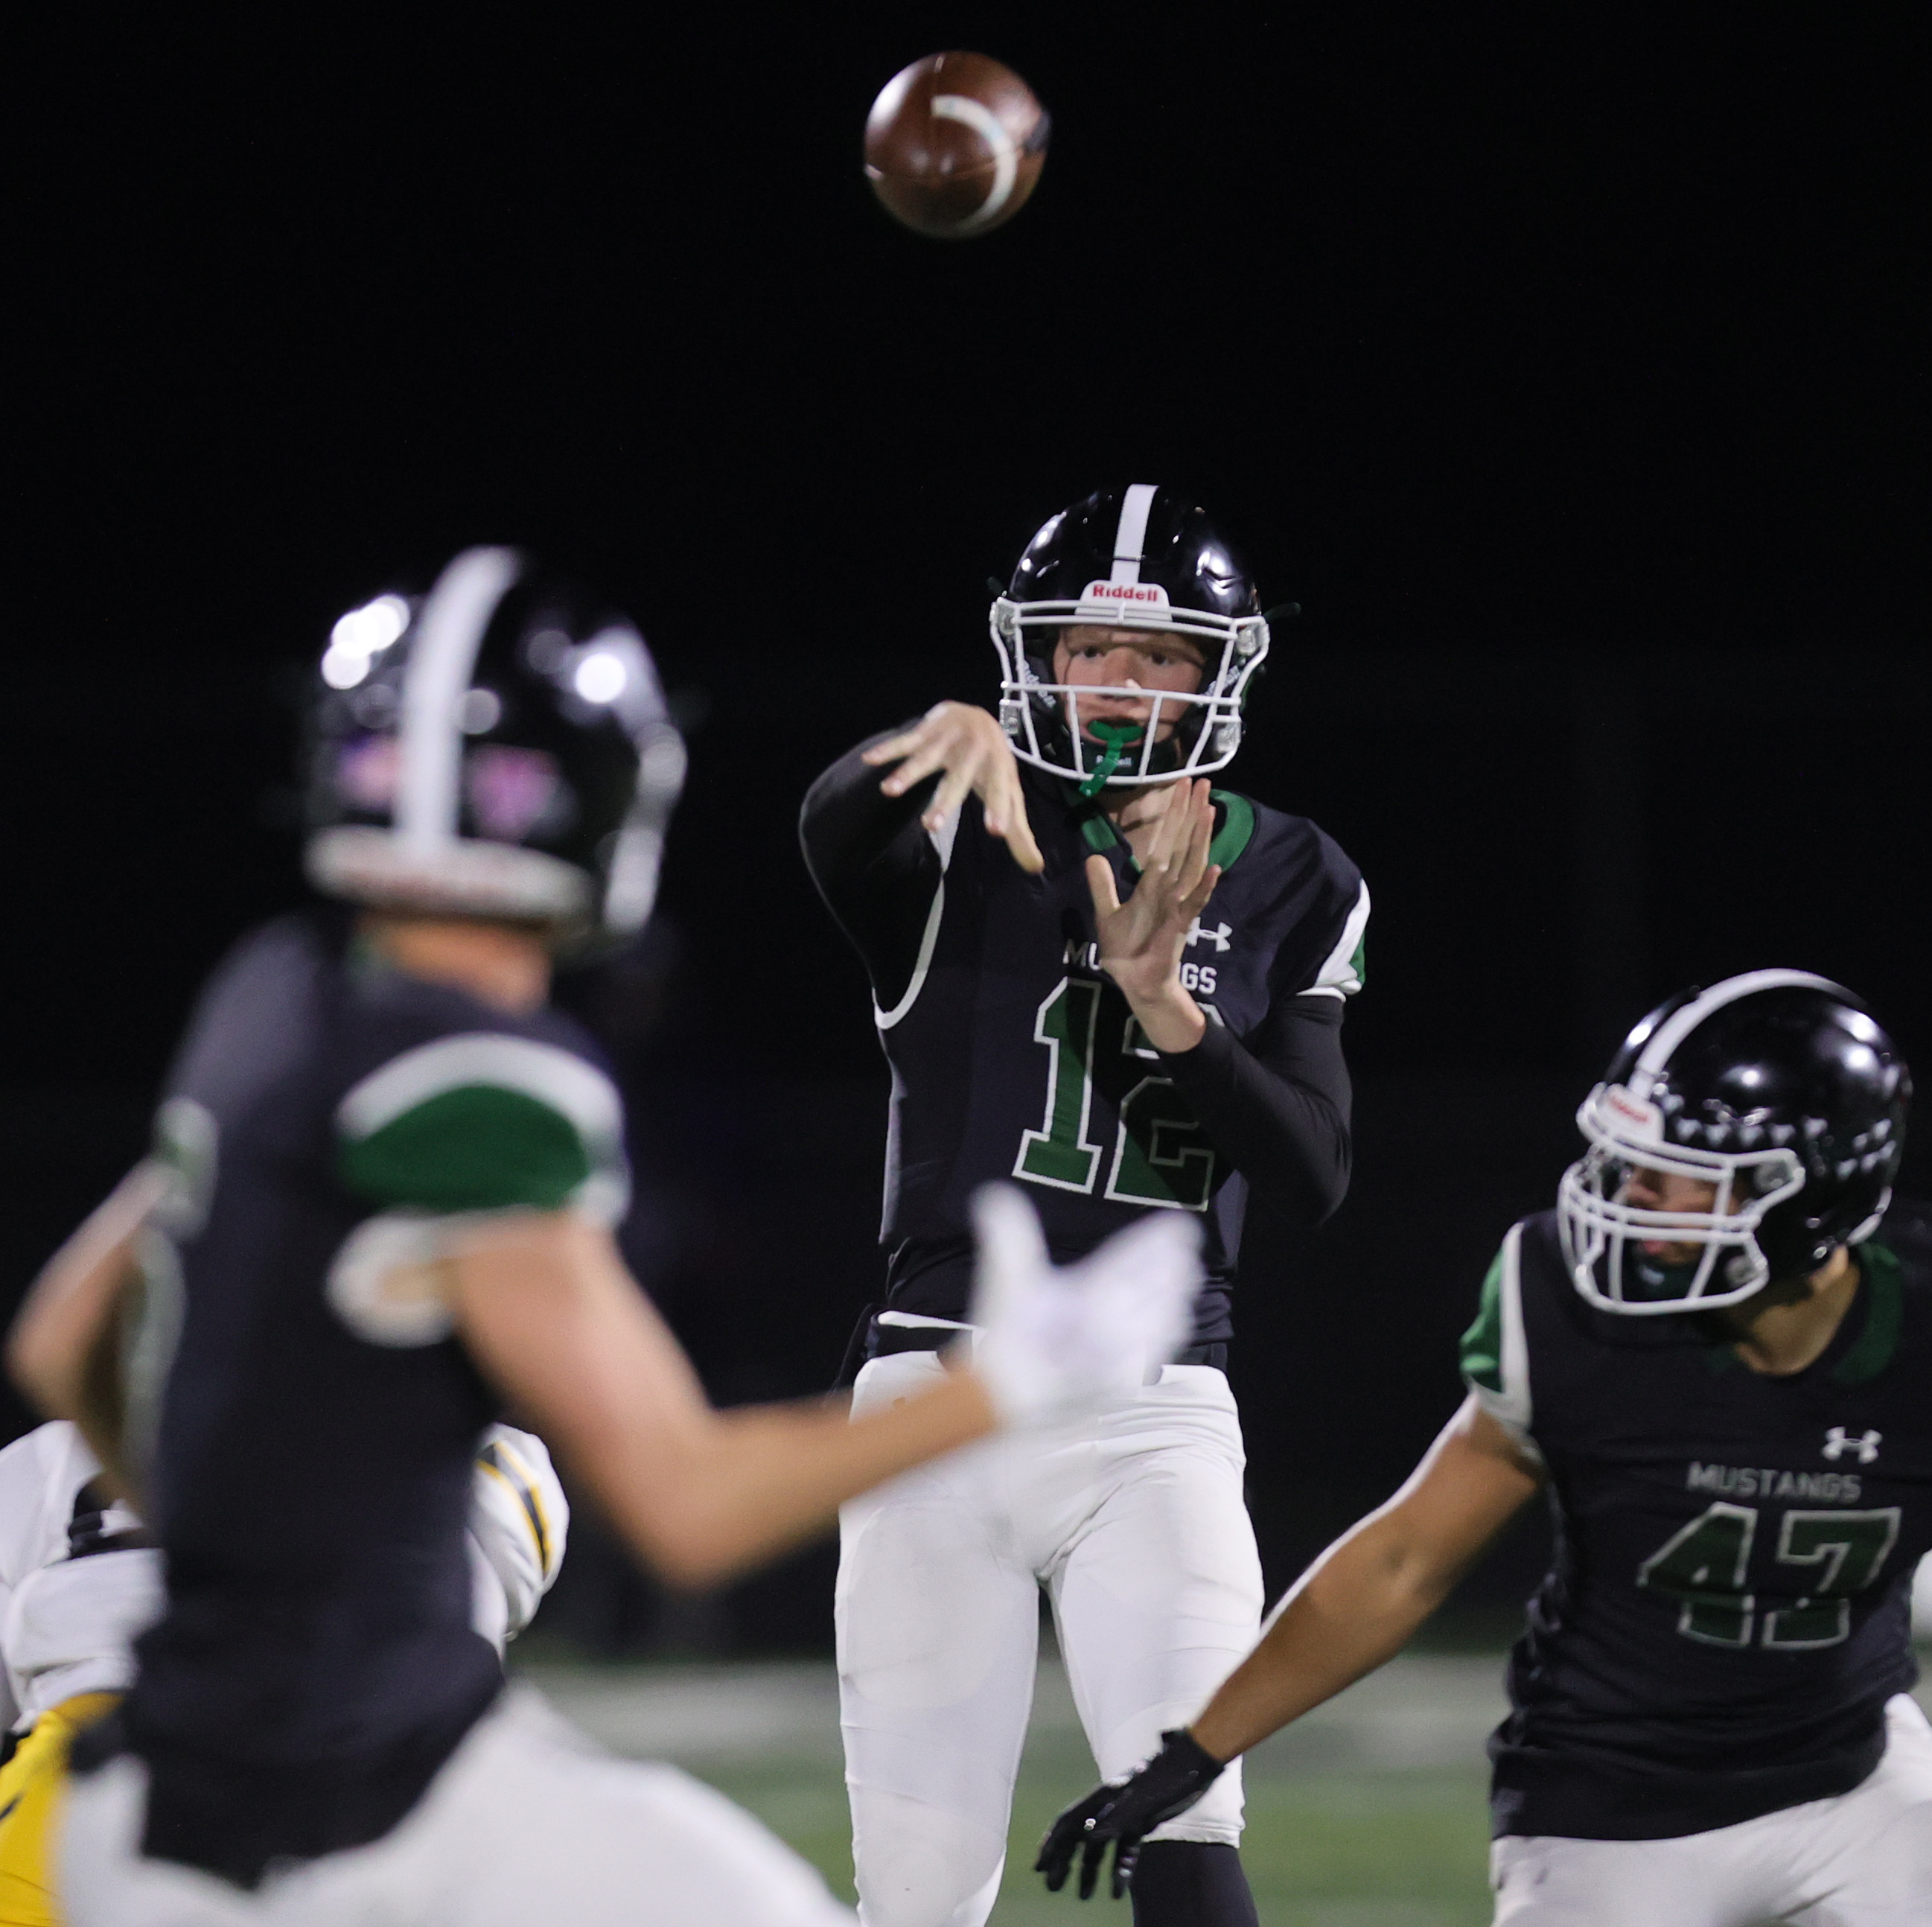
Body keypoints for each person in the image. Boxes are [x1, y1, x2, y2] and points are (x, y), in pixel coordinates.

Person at [6, 547, 1204, 1927]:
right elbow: (688, 1504)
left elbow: (63, 1336)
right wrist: (1016, 1383)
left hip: (152, 1789)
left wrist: (231, 1546)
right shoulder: (491, 1082)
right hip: (364, 1804)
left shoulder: (269, 991)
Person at [1038, 970, 1932, 1926]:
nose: (1628, 1196)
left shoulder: (1916, 1327)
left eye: (1673, 1170)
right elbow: (1405, 1558)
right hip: (1611, 1805)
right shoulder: (1570, 1300)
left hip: (1852, 1781)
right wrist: (1196, 1750)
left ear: (1804, 1190)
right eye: (1626, 1159)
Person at [800, 485, 1370, 1927]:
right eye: (1084, 649)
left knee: (1186, 1827)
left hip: (1155, 1404)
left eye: (1156, 655)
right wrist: (921, 744)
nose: (1114, 683)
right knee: (919, 1900)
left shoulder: (1298, 871)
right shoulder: (955, 824)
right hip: (937, 1389)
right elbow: (823, 827)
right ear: (1031, 658)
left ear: (1215, 671)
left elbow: (1308, 1172)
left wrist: (1167, 1008)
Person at [0, 1417, 568, 1926]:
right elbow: (448, 1672)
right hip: (333, 1813)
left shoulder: (52, 1454)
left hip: (74, 1802)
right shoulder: (461, 1453)